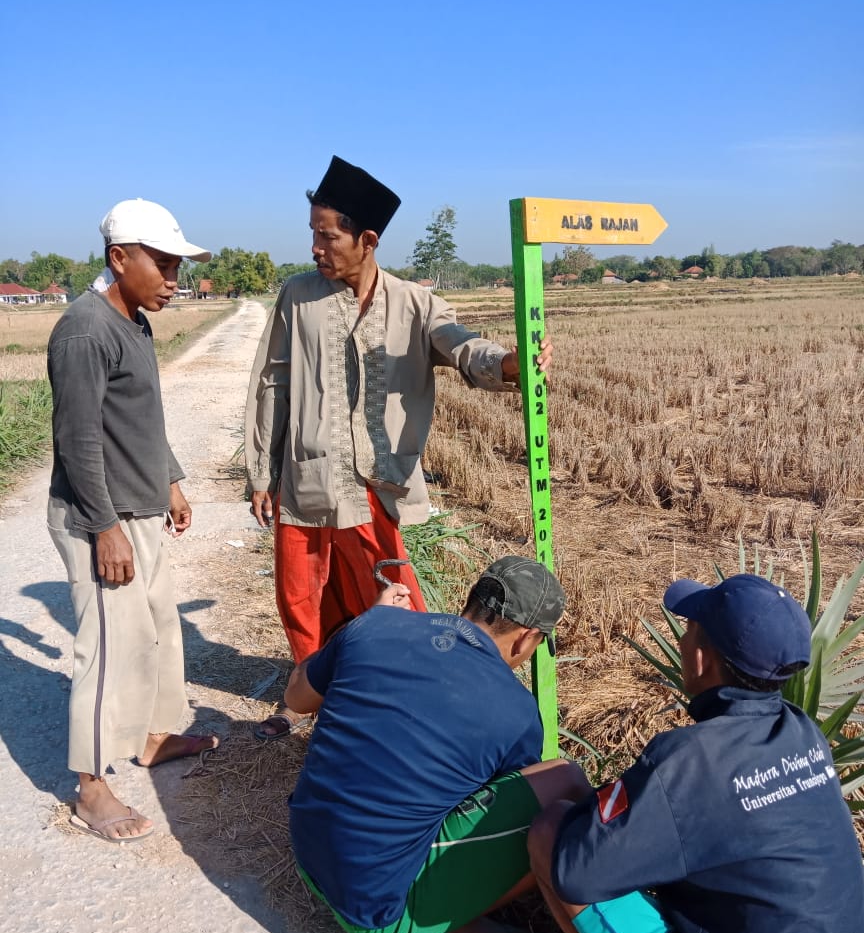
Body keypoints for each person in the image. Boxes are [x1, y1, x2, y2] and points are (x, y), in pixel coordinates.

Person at [245, 155, 552, 737]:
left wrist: (509, 364)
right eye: (312, 233)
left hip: (377, 488)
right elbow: (272, 383)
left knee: (392, 600)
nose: (315, 247)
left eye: (326, 235)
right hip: (306, 479)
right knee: (302, 598)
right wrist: (261, 472)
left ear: (367, 239)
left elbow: (462, 346)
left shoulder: (415, 303)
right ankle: (304, 698)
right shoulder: (297, 297)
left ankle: (390, 702)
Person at [528, 573, 864, 933]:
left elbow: (577, 867)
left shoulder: (685, 762)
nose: (683, 642)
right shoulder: (805, 735)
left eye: (689, 632)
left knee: (553, 835)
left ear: (702, 660)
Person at [285, 556, 592, 933]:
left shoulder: (373, 624)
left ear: (471, 601)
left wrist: (368, 623)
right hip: (374, 911)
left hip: (307, 852)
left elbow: (295, 698)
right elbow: (498, 806)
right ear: (526, 639)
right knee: (563, 782)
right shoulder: (516, 712)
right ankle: (439, 930)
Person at [47, 198, 219, 844]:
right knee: (109, 648)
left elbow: (143, 417)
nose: (175, 279)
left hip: (139, 506)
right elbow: (78, 439)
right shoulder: (85, 330)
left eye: (179, 266)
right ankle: (91, 787)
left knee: (155, 630)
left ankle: (151, 736)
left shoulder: (133, 321)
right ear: (120, 258)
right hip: (103, 515)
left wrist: (170, 479)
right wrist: (103, 527)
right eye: (165, 264)